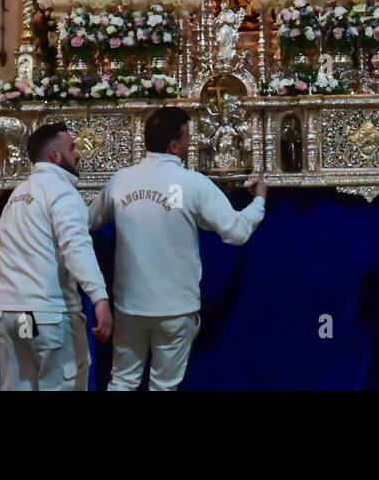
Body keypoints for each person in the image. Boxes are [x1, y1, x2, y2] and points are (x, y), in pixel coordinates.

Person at [89, 106, 266, 391]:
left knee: (122, 381)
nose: (190, 141)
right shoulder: (192, 182)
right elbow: (237, 231)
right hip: (175, 308)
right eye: (187, 136)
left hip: (130, 305)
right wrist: (259, 201)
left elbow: (89, 220)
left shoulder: (122, 179)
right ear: (174, 144)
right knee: (163, 386)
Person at [0, 122, 112, 391]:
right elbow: (76, 246)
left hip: (13, 314)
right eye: (72, 148)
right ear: (55, 156)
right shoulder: (62, 192)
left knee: (20, 386)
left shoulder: (18, 194)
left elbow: (3, 235)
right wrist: (99, 297)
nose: (78, 154)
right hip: (48, 315)